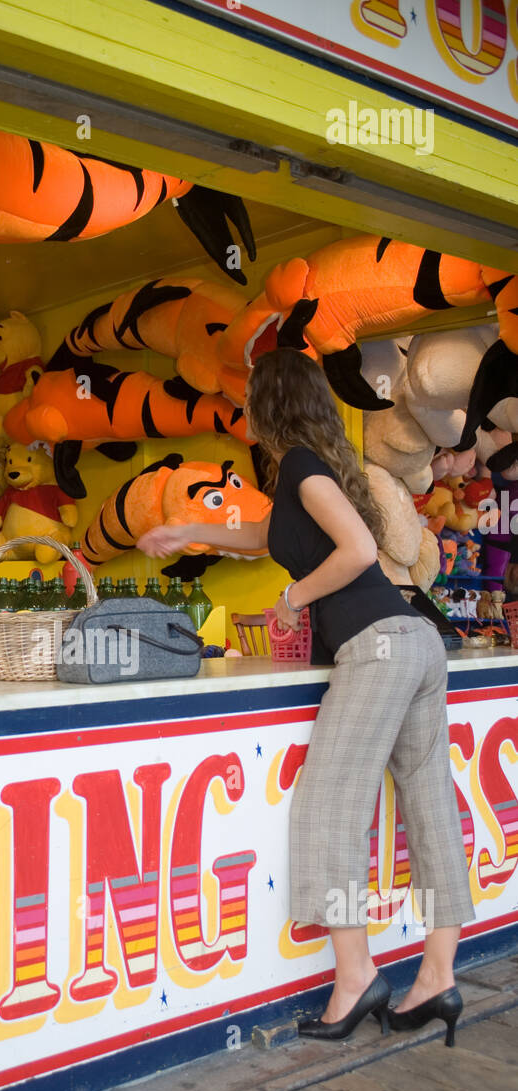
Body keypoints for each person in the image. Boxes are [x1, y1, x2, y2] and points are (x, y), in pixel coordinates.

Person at [137, 348, 475, 1047]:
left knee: (328, 809)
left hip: (379, 646)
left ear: (266, 407)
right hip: (415, 643)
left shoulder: (298, 465)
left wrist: (294, 597)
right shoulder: (317, 471)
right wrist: (186, 531)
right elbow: (263, 535)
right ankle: (438, 974)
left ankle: (356, 978)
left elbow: (353, 551)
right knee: (429, 804)